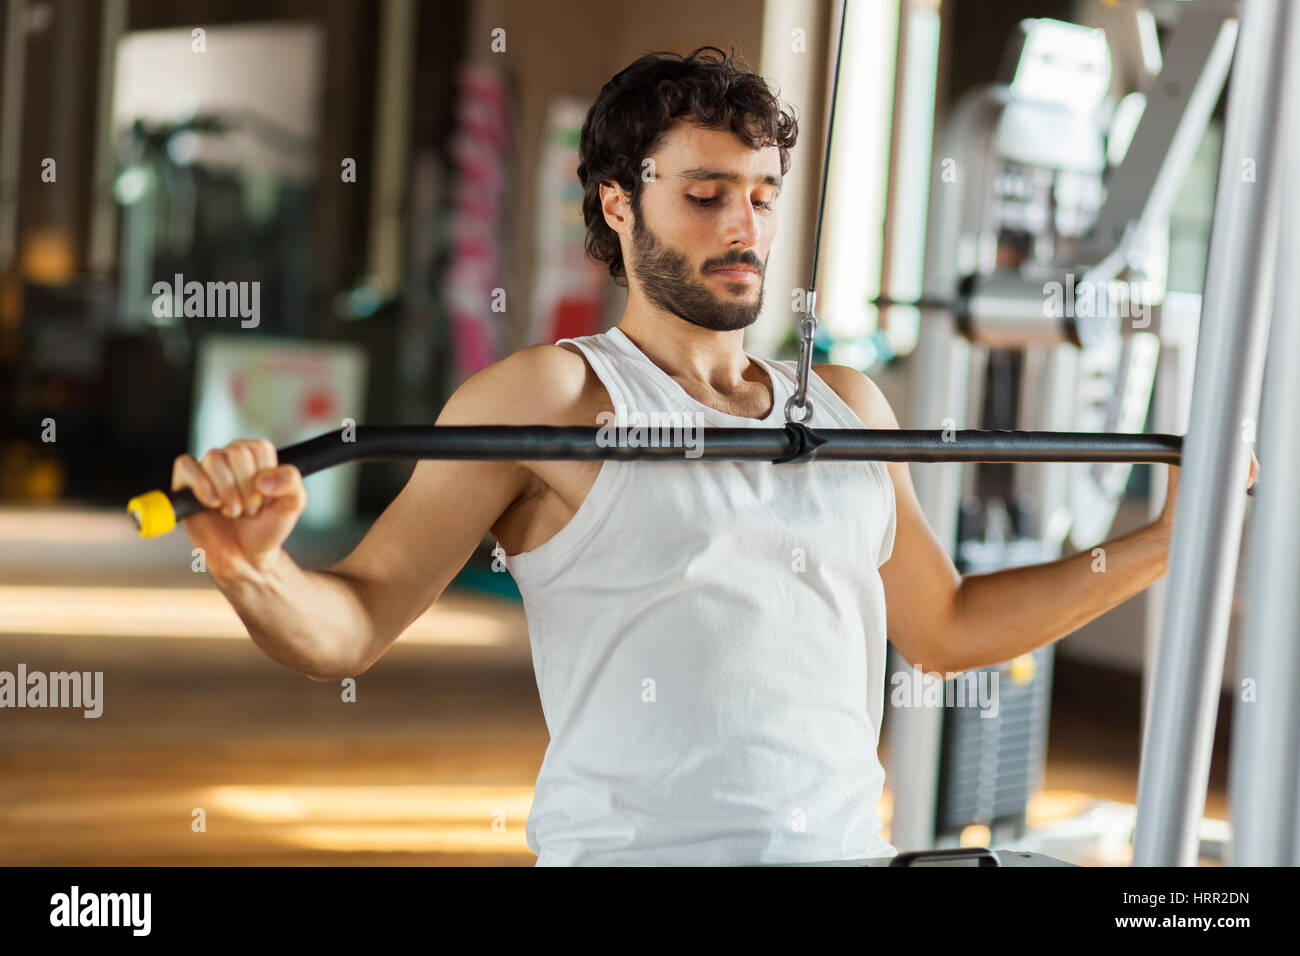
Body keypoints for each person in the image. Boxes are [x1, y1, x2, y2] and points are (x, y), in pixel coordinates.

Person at [171, 47, 1258, 866]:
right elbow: (352, 625)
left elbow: (944, 628)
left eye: (762, 195)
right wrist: (253, 566)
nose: (743, 225)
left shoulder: (843, 404)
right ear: (616, 203)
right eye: (704, 195)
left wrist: (1172, 539)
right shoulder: (550, 397)